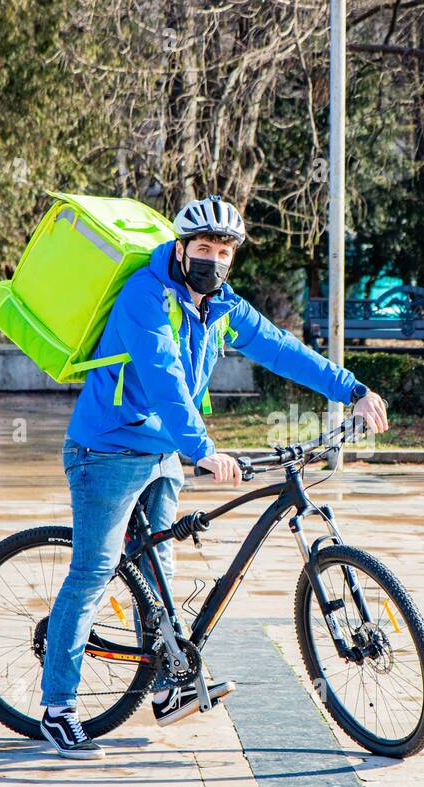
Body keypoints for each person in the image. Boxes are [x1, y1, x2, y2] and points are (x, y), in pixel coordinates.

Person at [39, 195, 390, 758]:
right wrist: (203, 449)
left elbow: (282, 348)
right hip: (105, 451)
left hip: (162, 455)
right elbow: (164, 378)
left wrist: (352, 389)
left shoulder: (221, 305)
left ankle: (166, 687)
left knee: (160, 571)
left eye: (223, 251)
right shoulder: (143, 298)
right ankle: (58, 706)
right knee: (95, 571)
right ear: (180, 249)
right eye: (204, 248)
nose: (214, 259)